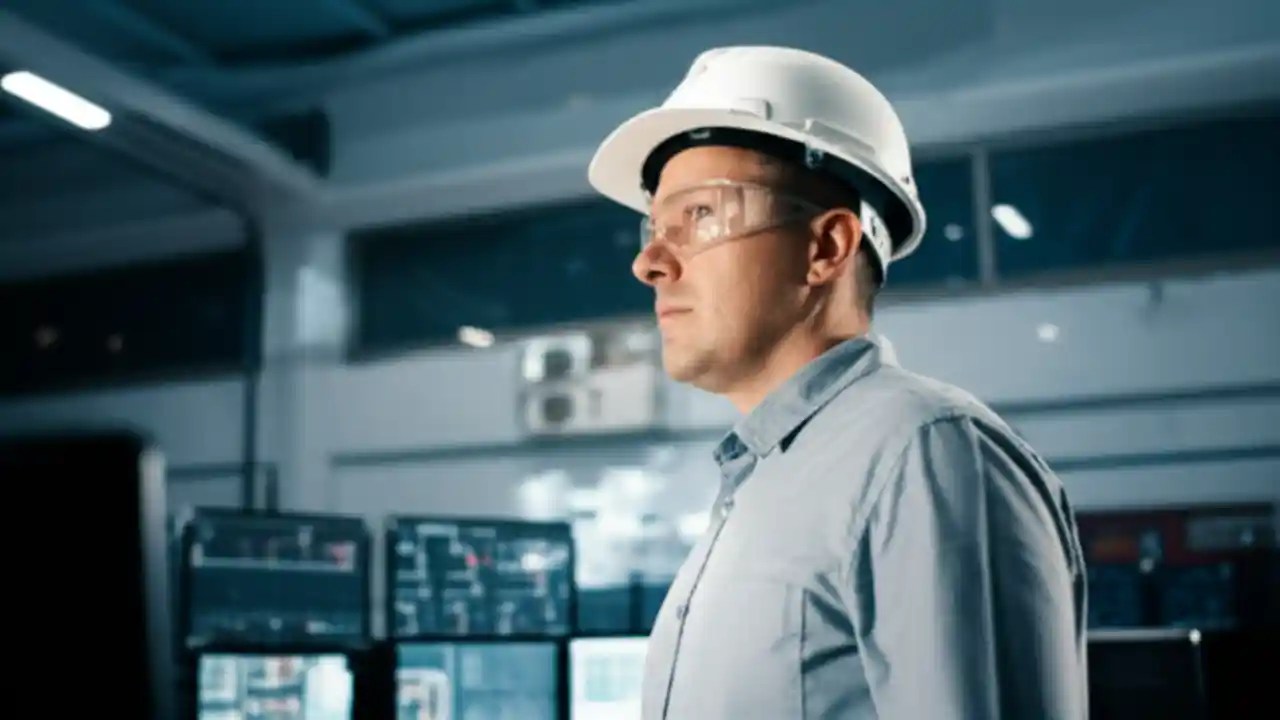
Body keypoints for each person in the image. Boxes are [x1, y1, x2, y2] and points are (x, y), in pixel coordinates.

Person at [586, 46, 1089, 719]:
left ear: (826, 248)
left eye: (701, 215)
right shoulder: (761, 483)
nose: (649, 261)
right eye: (654, 227)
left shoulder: (921, 454)